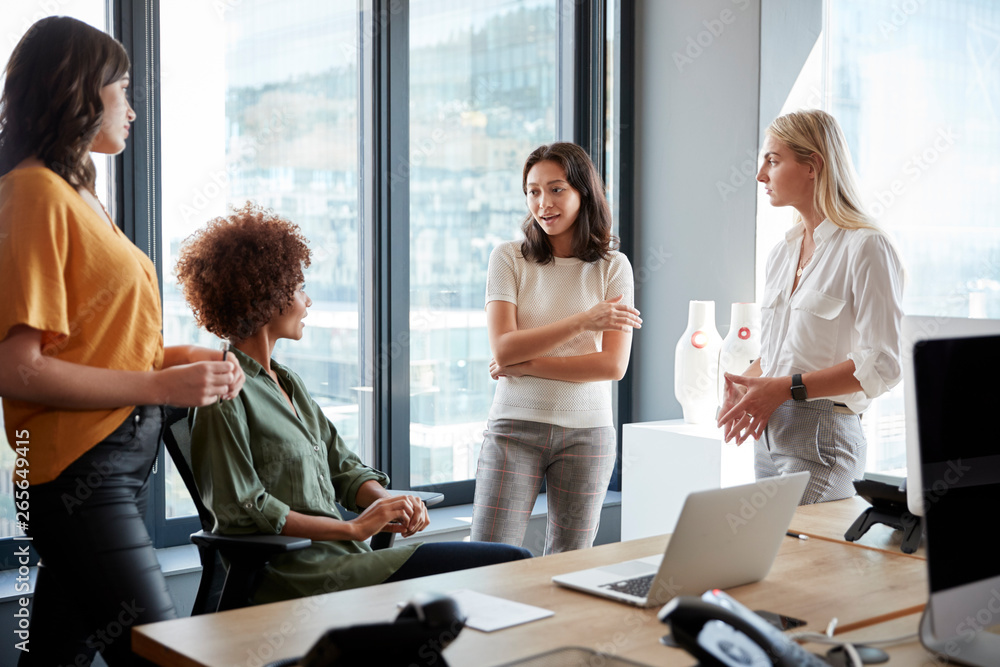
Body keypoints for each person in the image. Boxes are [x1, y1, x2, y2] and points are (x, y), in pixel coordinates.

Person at [0, 17, 245, 666]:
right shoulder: (32, 192)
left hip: (116, 464)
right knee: (168, 656)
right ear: (80, 91)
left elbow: (92, 349)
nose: (133, 109)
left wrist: (175, 361)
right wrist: (157, 384)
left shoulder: (78, 192)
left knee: (55, 657)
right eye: (124, 90)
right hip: (79, 471)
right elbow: (17, 369)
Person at [178, 203, 531, 604]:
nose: (307, 301)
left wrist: (389, 501)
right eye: (298, 288)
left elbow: (344, 470)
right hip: (298, 576)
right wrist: (353, 529)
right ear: (267, 296)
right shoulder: (224, 392)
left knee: (507, 571)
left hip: (348, 560)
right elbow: (242, 509)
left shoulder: (288, 382)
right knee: (511, 563)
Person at [717, 109, 905, 505]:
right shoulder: (782, 253)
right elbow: (780, 354)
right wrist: (746, 384)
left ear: (812, 166)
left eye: (772, 160)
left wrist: (784, 389)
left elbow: (883, 365)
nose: (760, 175)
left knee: (806, 563)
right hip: (770, 435)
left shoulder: (866, 247)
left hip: (826, 438)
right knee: (770, 564)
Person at [471, 142, 641, 554]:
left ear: (584, 192)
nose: (543, 203)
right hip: (514, 427)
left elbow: (612, 365)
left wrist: (527, 365)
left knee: (569, 565)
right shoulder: (509, 258)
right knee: (486, 559)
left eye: (556, 189)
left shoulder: (613, 266)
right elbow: (503, 346)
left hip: (588, 433)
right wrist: (584, 321)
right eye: (532, 191)